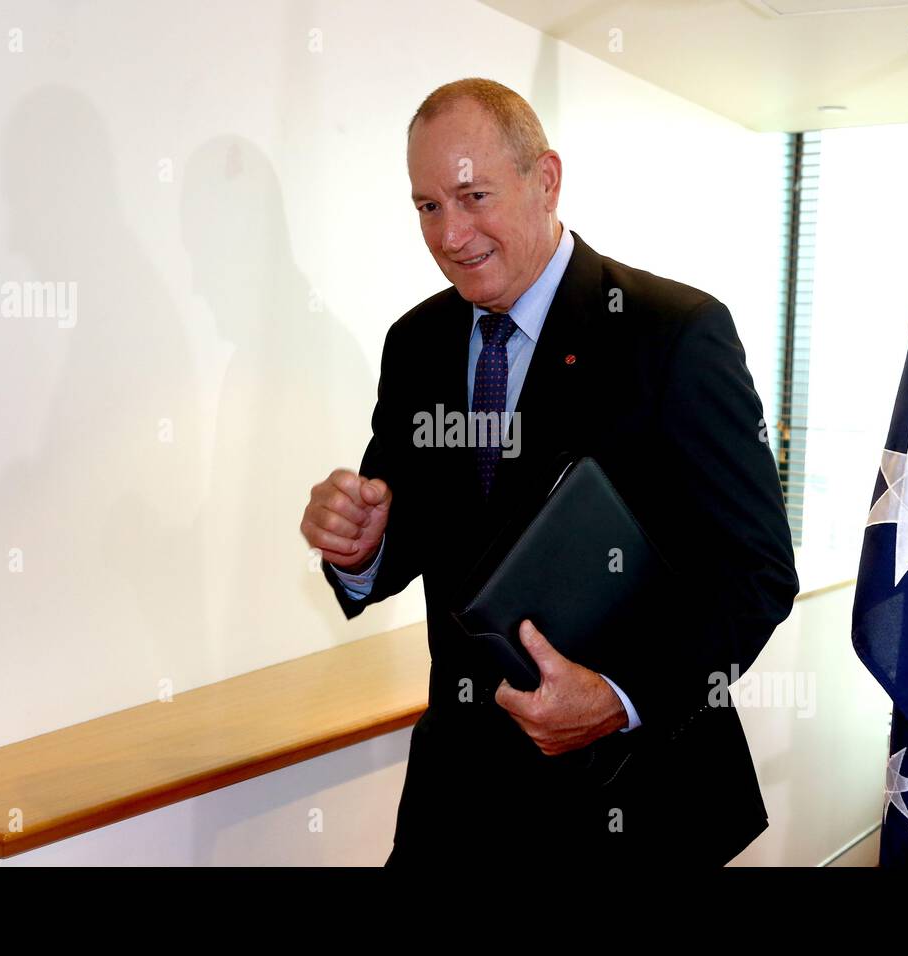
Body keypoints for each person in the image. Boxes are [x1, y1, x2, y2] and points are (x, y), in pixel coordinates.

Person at [299, 77, 798, 867]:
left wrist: (619, 699)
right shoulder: (416, 343)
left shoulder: (675, 334)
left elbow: (757, 575)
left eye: (473, 196)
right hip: (458, 805)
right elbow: (403, 533)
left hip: (637, 800)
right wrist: (358, 549)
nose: (451, 235)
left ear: (547, 179)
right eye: (428, 206)